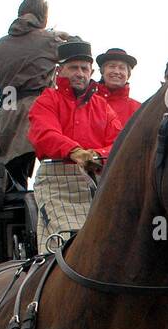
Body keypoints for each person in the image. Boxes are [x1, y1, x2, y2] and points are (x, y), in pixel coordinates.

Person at [28, 39, 123, 246]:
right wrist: (76, 152)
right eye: (73, 68)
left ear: (91, 72)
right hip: (57, 182)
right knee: (65, 240)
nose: (79, 73)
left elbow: (118, 143)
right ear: (59, 70)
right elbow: (45, 134)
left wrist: (96, 156)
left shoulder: (103, 106)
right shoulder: (47, 100)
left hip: (96, 181)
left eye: (84, 68)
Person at [0, 0, 72, 193]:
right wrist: (62, 35)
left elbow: (0, 84)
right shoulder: (48, 40)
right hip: (37, 108)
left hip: (7, 110)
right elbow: (78, 50)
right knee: (54, 169)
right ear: (43, 18)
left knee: (13, 176)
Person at [94, 47, 141, 128]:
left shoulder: (139, 110)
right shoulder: (88, 102)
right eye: (112, 66)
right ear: (102, 71)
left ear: (128, 75)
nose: (116, 72)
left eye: (122, 68)